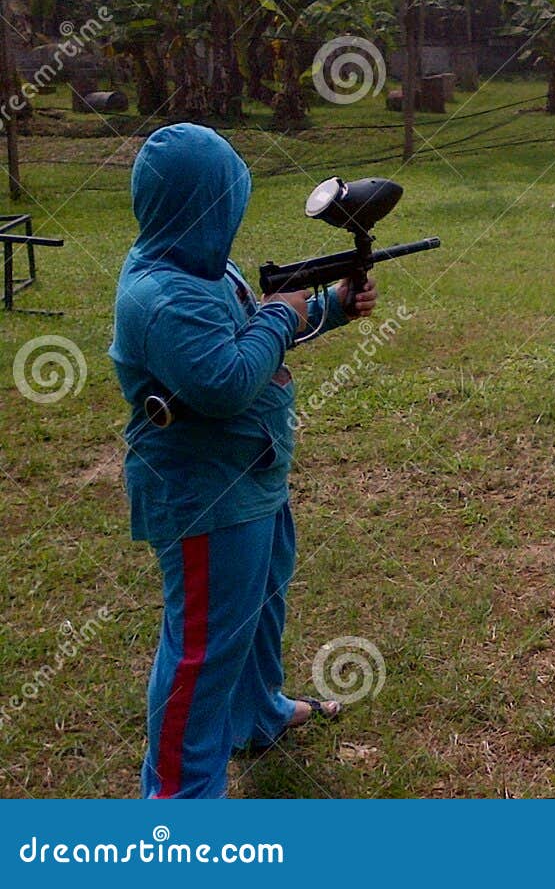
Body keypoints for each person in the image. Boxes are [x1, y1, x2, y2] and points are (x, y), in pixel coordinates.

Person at [109, 124, 377, 798]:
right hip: (206, 496)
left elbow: (255, 335)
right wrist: (282, 316)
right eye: (225, 201)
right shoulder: (161, 297)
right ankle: (178, 802)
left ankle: (258, 713)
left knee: (259, 606)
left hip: (250, 476)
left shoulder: (206, 269)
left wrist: (333, 307)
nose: (232, 216)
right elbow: (227, 381)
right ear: (196, 206)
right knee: (201, 652)